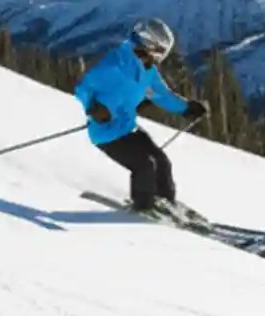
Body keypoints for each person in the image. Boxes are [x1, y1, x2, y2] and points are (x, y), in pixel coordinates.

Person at [73, 18, 208, 212]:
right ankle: (144, 207)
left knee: (162, 162)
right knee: (145, 165)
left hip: (128, 128)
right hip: (107, 132)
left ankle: (166, 205)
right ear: (150, 44)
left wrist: (186, 108)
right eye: (161, 50)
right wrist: (92, 107)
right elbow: (82, 87)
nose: (161, 56)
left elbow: (160, 95)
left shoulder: (148, 71)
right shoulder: (117, 62)